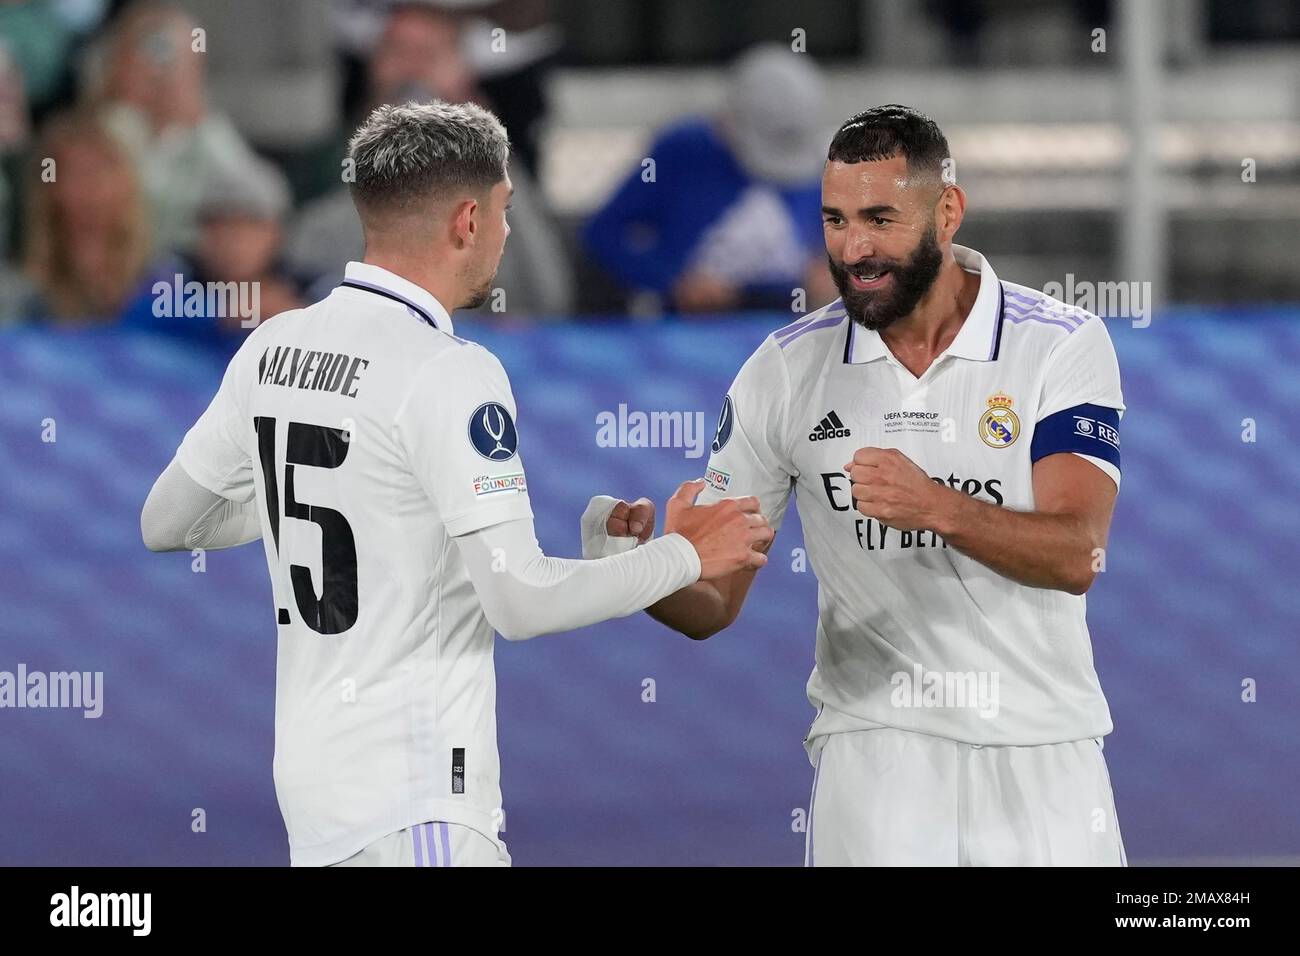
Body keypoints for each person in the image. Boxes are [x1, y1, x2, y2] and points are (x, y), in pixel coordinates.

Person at [139, 100, 772, 867]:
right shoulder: (450, 372)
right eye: (505, 211)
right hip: (416, 801)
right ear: (468, 220)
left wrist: (355, 497)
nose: (506, 234)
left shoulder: (275, 345)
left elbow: (167, 522)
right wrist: (686, 557)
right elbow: (520, 599)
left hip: (318, 798)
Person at [588, 105, 1128, 866]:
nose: (855, 248)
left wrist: (934, 506)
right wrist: (648, 565)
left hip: (1047, 752)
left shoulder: (1060, 345)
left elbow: (1078, 553)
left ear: (947, 211)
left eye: (880, 217)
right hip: (878, 760)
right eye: (835, 221)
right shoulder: (784, 370)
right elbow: (712, 607)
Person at [582, 43, 836, 314]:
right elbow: (605, 233)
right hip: (695, 331)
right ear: (729, 121)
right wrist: (673, 281)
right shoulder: (683, 150)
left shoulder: (820, 166)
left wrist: (833, 272)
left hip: (789, 323)